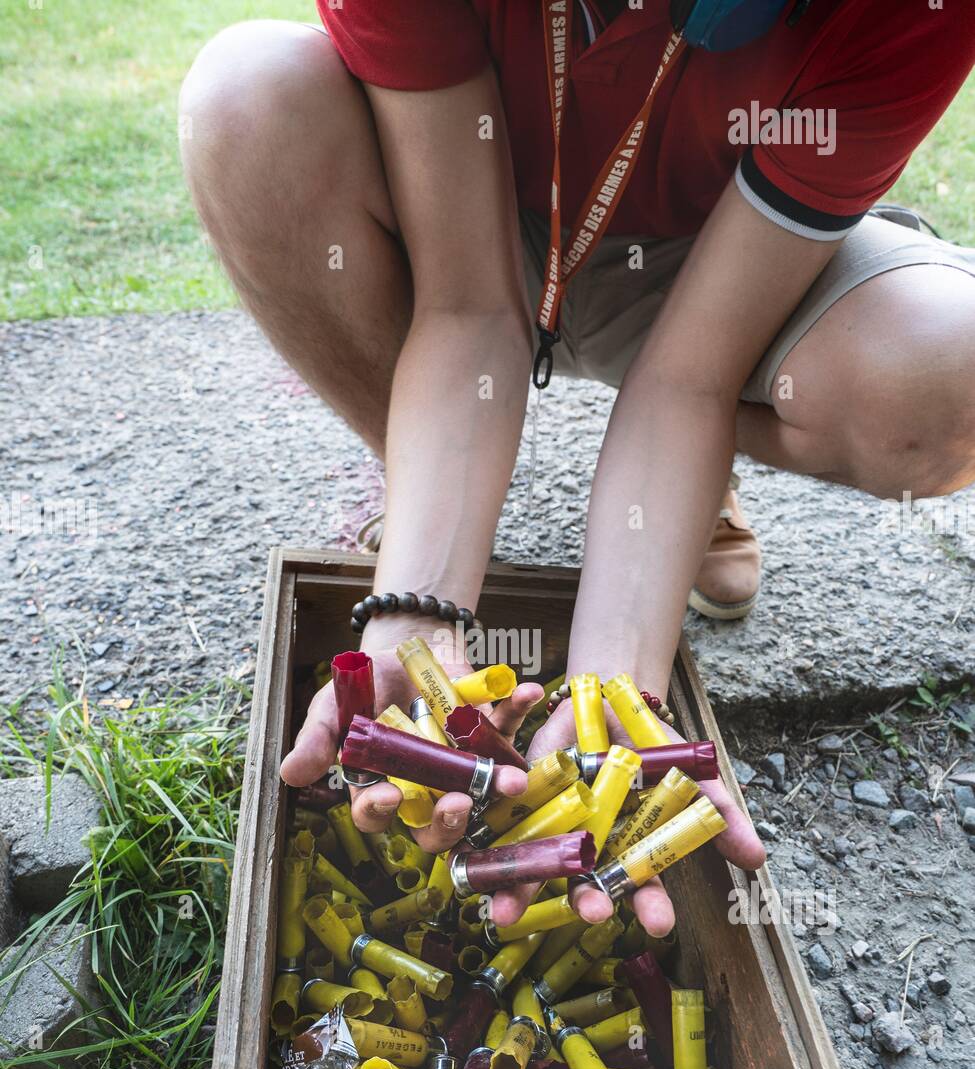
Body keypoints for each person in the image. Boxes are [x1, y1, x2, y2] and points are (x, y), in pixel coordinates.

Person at [179, 0, 975, 934]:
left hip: (716, 263)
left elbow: (689, 373)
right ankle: (429, 495)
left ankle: (684, 481)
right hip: (476, 223)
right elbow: (467, 309)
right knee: (244, 97)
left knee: (946, 377)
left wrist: (612, 693)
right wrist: (413, 609)